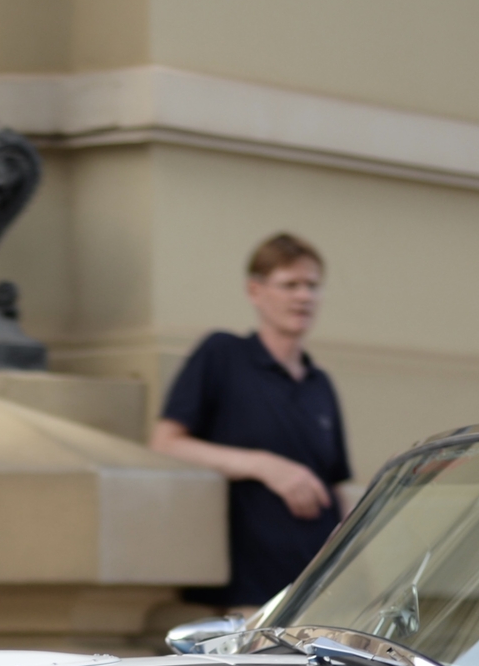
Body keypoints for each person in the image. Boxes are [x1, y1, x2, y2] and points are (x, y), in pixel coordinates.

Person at [151, 233, 354, 611]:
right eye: (289, 284)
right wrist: (262, 465)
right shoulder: (223, 355)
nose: (303, 296)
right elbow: (166, 443)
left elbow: (335, 487)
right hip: (249, 598)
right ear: (255, 290)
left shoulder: (320, 383)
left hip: (318, 599)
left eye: (312, 286)